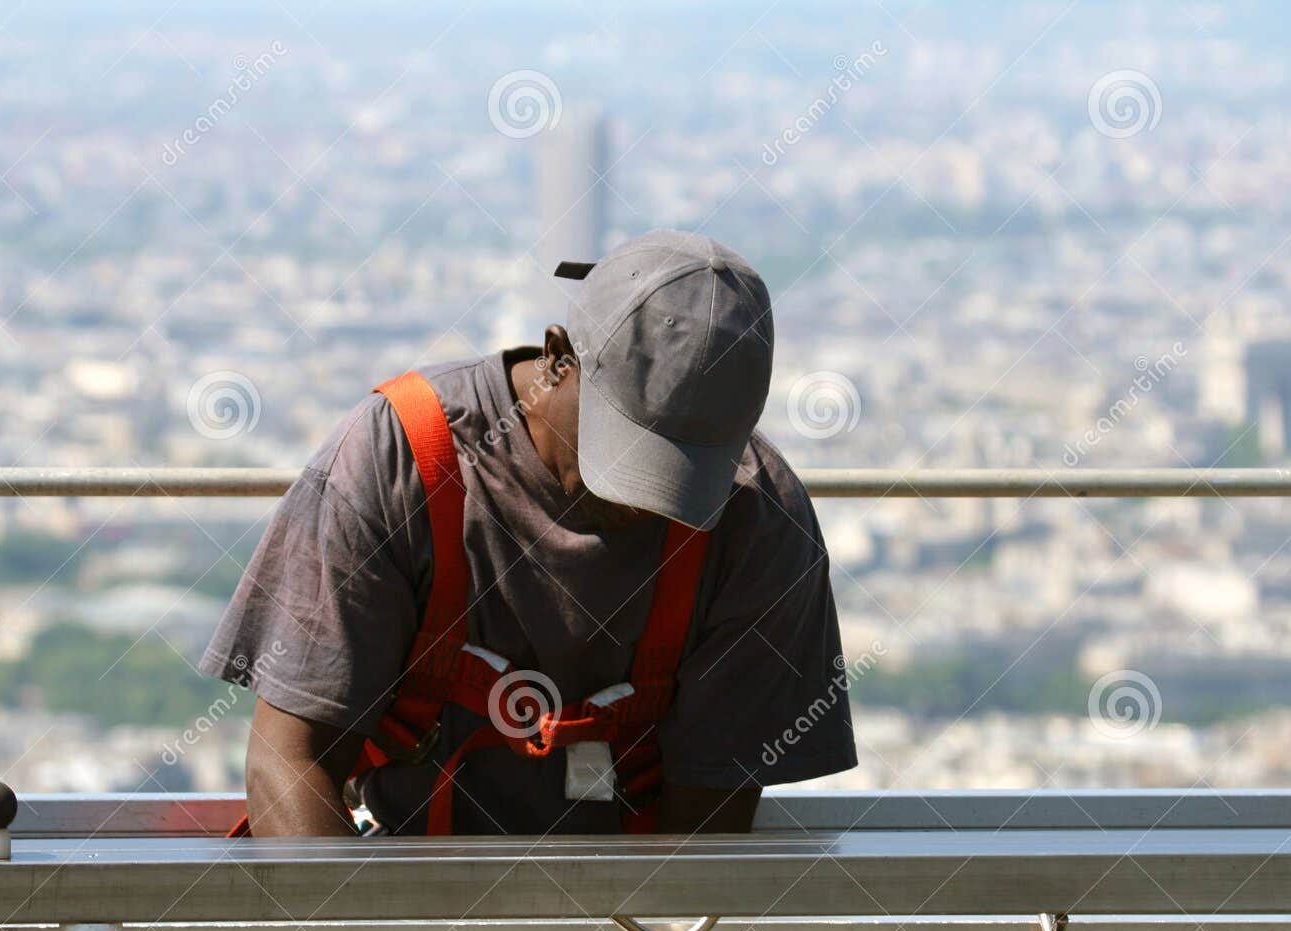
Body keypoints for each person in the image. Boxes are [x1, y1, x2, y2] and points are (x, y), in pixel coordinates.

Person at [199, 229, 856, 837]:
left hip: (632, 900)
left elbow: (706, 832)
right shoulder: (403, 457)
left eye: (683, 475)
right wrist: (372, 926)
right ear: (558, 358)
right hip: (399, 880)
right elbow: (288, 763)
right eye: (627, 456)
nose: (647, 505)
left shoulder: (760, 517)